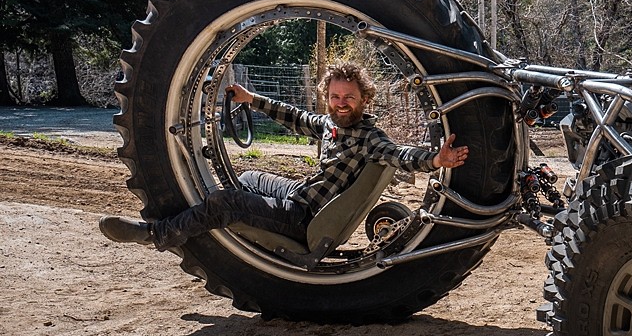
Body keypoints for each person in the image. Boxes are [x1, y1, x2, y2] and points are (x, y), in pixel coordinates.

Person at [100, 61, 469, 250]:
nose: (341, 104)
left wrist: (435, 160)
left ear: (365, 100)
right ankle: (234, 232)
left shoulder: (368, 138)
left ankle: (157, 234)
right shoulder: (330, 124)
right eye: (335, 97)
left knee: (224, 201)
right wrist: (252, 100)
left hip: (302, 217)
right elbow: (295, 116)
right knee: (247, 179)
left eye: (349, 98)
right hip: (299, 194)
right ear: (328, 97)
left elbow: (397, 153)